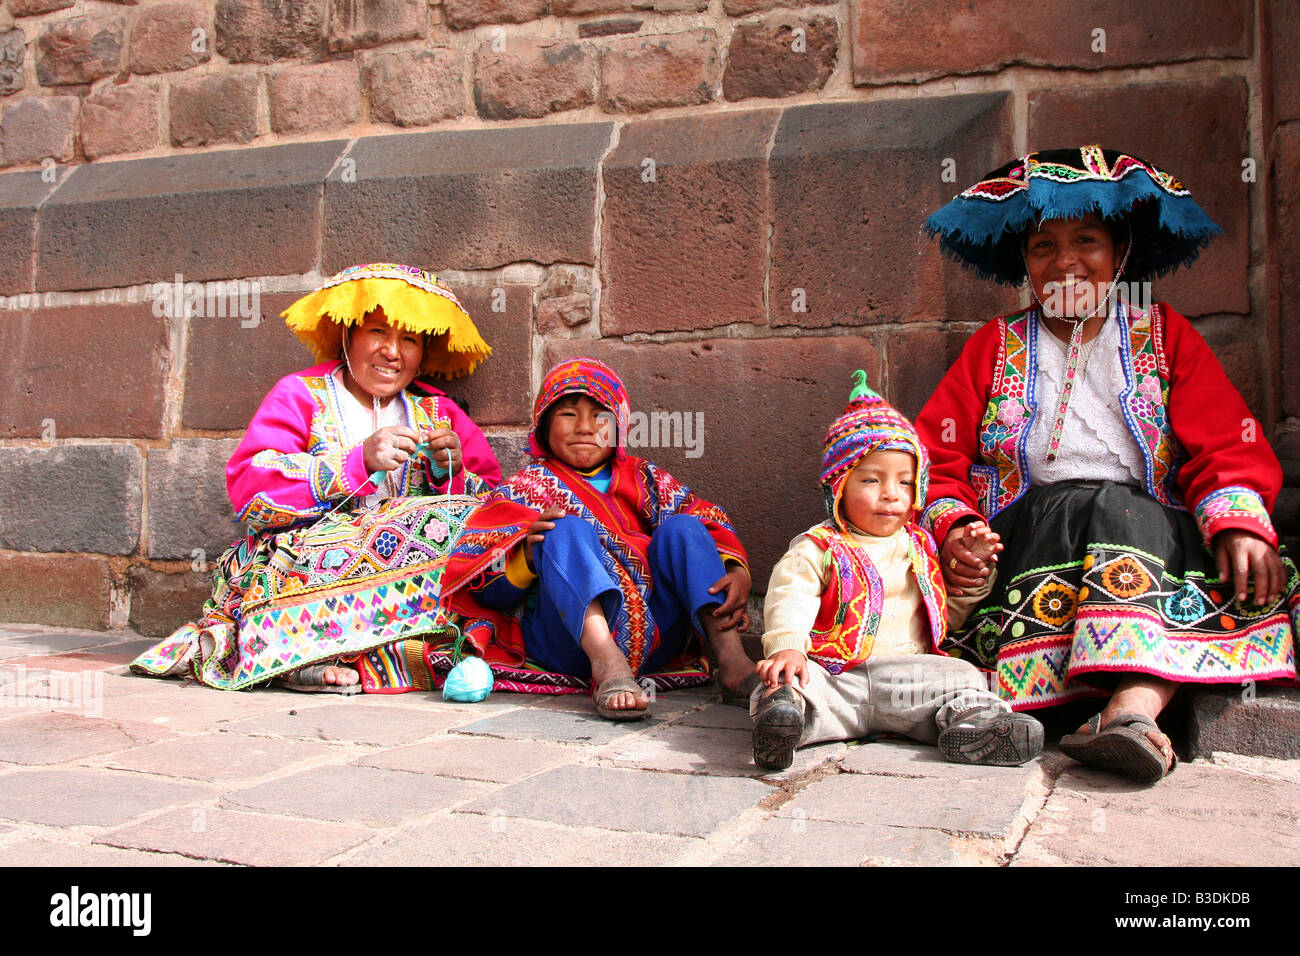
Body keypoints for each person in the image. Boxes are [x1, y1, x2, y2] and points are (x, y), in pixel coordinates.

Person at [916, 146, 1298, 783]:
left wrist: (1236, 519)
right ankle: (1124, 707)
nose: (1065, 261)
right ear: (1025, 261)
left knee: (1182, 538)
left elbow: (1226, 439)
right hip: (1033, 543)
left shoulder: (1164, 334)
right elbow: (934, 455)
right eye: (1044, 246)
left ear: (1120, 252)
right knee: (1092, 505)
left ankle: (1132, 712)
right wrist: (955, 528)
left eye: (1086, 240)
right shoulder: (994, 346)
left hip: (1152, 538)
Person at [132, 263, 501, 693]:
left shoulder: (439, 413)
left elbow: (492, 507)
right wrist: (355, 462)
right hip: (309, 562)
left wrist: (447, 473)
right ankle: (299, 653)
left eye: (410, 339)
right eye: (378, 332)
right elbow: (250, 487)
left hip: (404, 573)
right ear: (347, 334)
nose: (393, 352)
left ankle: (367, 654)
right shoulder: (300, 395)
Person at [750, 372, 1042, 771]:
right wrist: (787, 649)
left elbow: (943, 615)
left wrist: (976, 574)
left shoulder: (921, 547)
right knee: (783, 684)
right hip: (838, 675)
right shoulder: (819, 547)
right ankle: (787, 722)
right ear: (838, 486)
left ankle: (976, 725)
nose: (891, 494)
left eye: (905, 483)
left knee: (965, 676)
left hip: (909, 680)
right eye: (871, 479)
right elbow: (791, 596)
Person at [440, 358, 754, 719]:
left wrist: (736, 569)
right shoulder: (523, 490)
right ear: (543, 427)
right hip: (569, 643)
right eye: (569, 414)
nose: (586, 427)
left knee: (684, 527)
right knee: (563, 527)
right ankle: (606, 661)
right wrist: (527, 555)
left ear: (619, 427)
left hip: (655, 635)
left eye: (600, 415)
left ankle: (731, 660)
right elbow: (483, 584)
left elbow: (709, 521)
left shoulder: (645, 478)